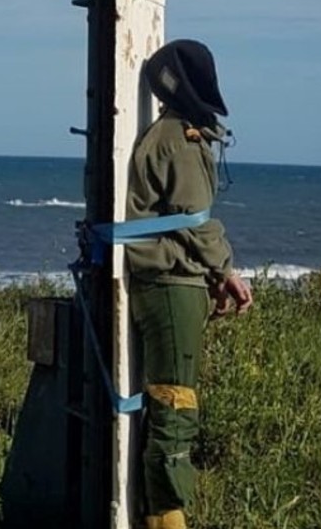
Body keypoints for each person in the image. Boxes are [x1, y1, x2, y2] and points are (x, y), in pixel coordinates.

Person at [125, 39, 253, 529]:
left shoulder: (174, 134)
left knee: (168, 399)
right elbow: (195, 220)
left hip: (171, 279)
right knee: (175, 404)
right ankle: (166, 516)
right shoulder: (180, 140)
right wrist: (226, 271)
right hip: (172, 282)